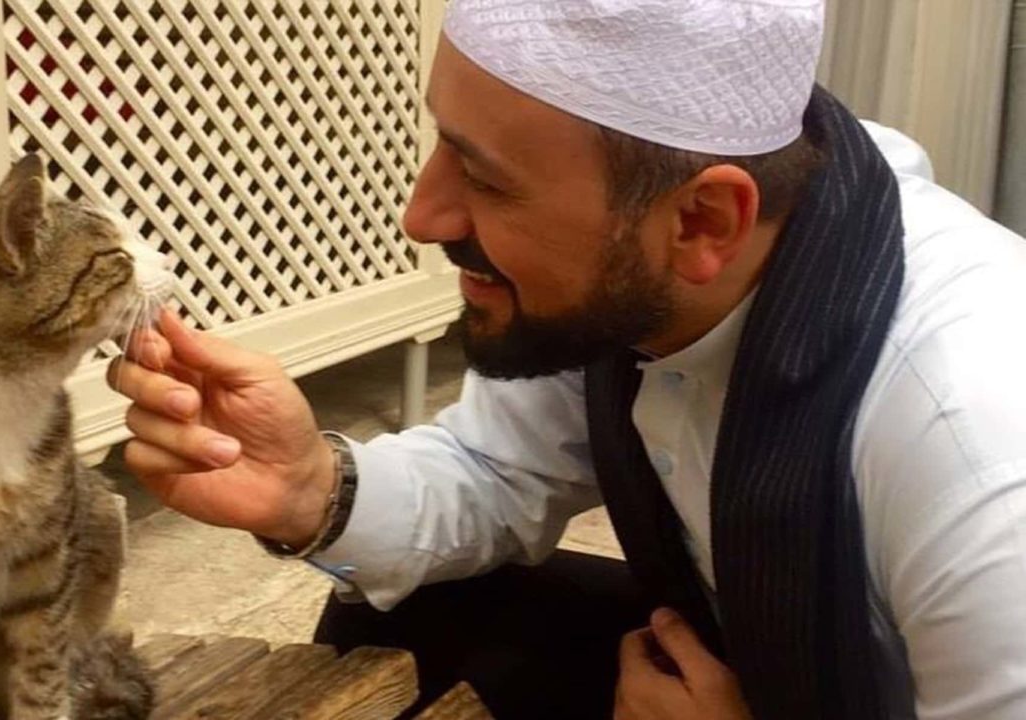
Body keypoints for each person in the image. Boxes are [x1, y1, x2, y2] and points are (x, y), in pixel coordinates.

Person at [108, 1, 1026, 718]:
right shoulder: (640, 280)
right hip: (733, 639)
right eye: (443, 146)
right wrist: (311, 489)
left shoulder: (975, 450)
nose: (420, 218)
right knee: (406, 609)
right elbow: (497, 469)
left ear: (704, 221)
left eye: (485, 178)